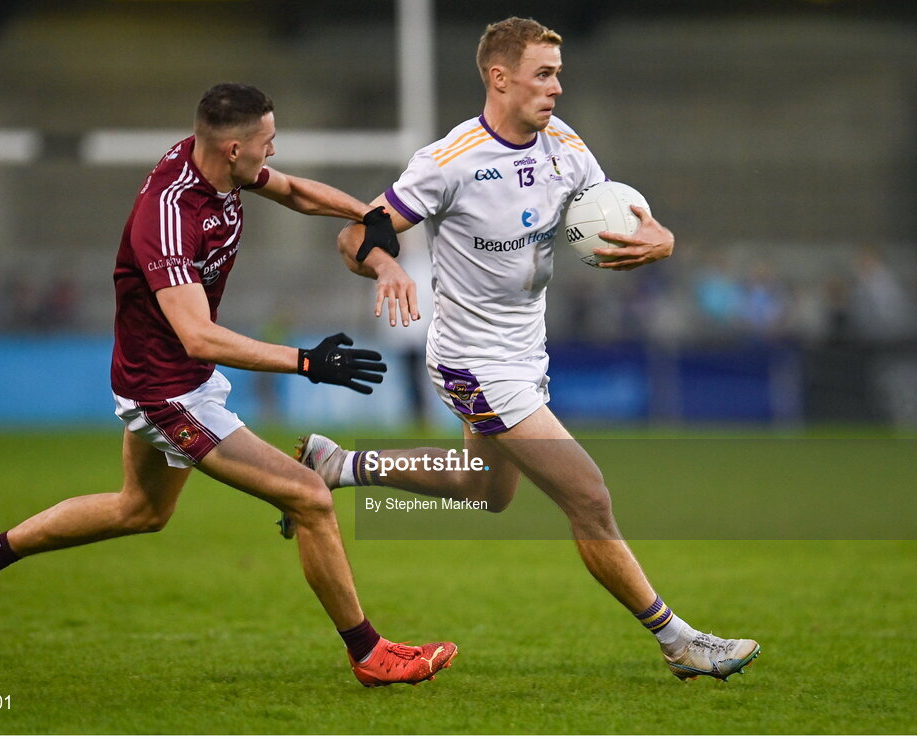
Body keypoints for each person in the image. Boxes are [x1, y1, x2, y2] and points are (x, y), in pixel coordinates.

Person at [0, 83, 456, 688]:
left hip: (171, 377)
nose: (273, 153)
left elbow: (291, 191)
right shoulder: (169, 214)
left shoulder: (222, 169)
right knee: (310, 497)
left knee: (141, 509)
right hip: (167, 390)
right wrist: (306, 362)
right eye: (267, 143)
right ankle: (370, 654)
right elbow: (199, 336)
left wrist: (366, 215)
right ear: (234, 147)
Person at [293, 18, 760, 681]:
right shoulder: (449, 162)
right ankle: (680, 641)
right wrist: (387, 265)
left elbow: (623, 218)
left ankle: (337, 464)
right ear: (499, 77)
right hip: (472, 362)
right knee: (589, 497)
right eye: (544, 74)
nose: (557, 88)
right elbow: (352, 238)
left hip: (524, 354)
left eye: (559, 74)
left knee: (485, 488)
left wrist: (663, 242)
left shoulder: (566, 148)